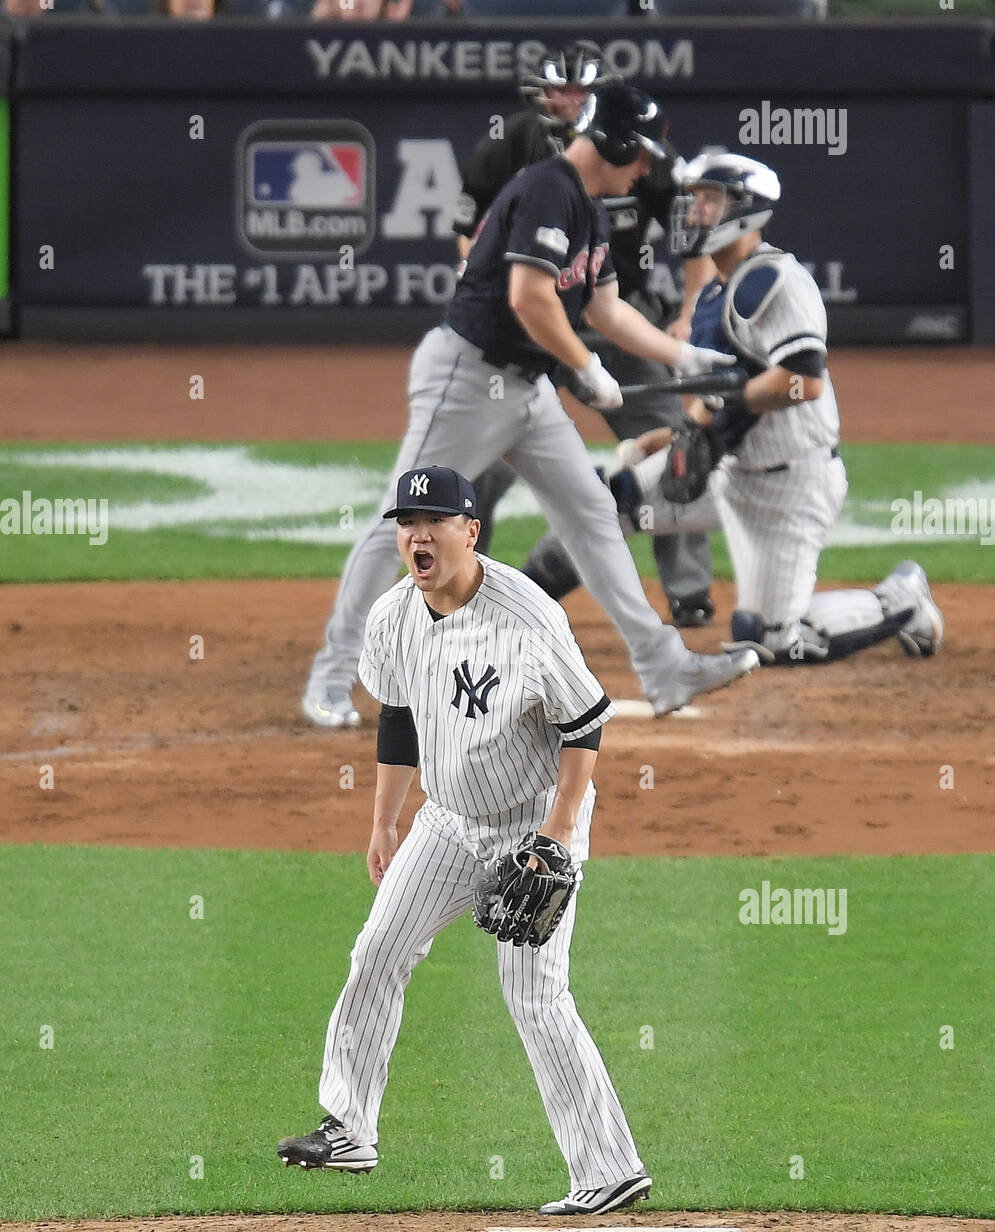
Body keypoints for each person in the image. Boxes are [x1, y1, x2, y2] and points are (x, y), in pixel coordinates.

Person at [301, 84, 758, 730]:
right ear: (617, 143)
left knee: (591, 513)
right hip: (466, 377)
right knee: (399, 525)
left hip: (524, 388)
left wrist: (680, 358)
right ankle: (332, 674)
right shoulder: (550, 188)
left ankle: (663, 667)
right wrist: (585, 366)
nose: (647, 169)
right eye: (643, 154)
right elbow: (528, 297)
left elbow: (604, 307)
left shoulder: (589, 208)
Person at [279, 466, 653, 1217]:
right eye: (406, 522)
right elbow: (398, 716)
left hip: (531, 821)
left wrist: (556, 836)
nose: (416, 535)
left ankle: (608, 1168)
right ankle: (349, 1127)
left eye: (434, 521)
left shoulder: (526, 615)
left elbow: (583, 725)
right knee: (377, 950)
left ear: (469, 531)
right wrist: (384, 820)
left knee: (535, 995)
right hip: (446, 821)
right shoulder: (393, 615)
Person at [624, 152, 943, 665]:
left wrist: (733, 398)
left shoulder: (776, 281)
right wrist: (684, 430)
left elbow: (801, 383)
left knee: (771, 641)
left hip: (792, 483)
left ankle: (901, 601)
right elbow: (721, 397)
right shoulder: (712, 296)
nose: (694, 211)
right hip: (734, 474)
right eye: (694, 199)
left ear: (745, 210)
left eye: (709, 199)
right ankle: (523, 615)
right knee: (615, 498)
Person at [452, 41, 718, 628]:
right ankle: (459, 590)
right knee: (478, 460)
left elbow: (692, 241)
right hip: (530, 320)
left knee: (672, 445)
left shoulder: (645, 162)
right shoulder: (512, 144)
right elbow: (471, 233)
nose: (570, 102)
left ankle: (689, 589)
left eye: (582, 92)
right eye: (560, 90)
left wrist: (686, 321)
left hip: (617, 310)